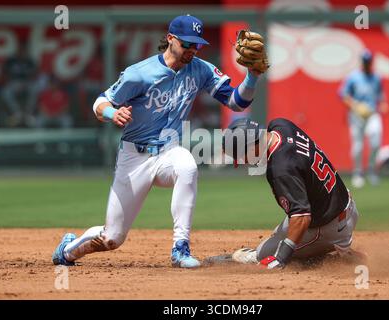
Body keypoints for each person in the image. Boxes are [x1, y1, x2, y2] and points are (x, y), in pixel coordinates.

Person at [52, 14, 265, 268]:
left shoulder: (200, 69)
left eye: (196, 44)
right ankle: (66, 250)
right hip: (134, 157)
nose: (192, 50)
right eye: (187, 43)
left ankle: (180, 248)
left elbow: (236, 102)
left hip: (168, 152)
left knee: (187, 165)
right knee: (112, 238)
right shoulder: (139, 74)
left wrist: (252, 76)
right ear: (171, 39)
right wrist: (113, 112)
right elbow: (100, 102)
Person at [220, 118, 366, 269]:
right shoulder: (281, 126)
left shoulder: (281, 169)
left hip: (328, 226)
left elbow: (301, 216)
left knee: (264, 254)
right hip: (343, 202)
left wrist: (281, 257)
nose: (243, 162)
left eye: (241, 156)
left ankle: (334, 257)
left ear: (252, 147)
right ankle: (320, 248)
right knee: (277, 237)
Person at [338, 49, 389, 188]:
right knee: (358, 146)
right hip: (356, 115)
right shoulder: (353, 77)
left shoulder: (377, 77)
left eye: (368, 61)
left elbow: (380, 95)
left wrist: (383, 104)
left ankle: (372, 170)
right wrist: (355, 105)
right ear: (362, 62)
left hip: (372, 113)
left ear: (371, 62)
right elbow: (343, 94)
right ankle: (358, 173)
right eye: (365, 61)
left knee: (376, 142)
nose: (367, 64)